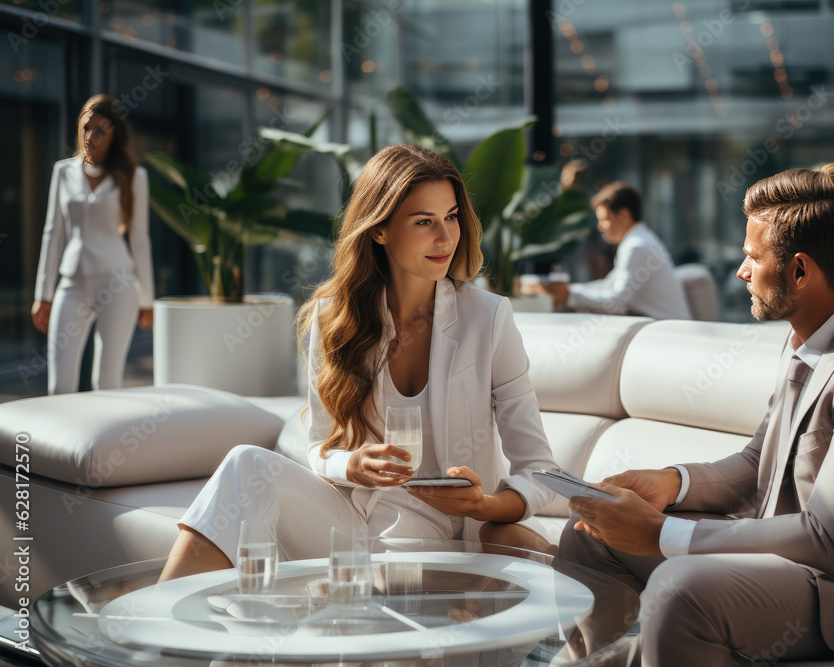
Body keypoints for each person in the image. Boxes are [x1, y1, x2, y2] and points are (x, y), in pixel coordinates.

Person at [559, 164, 834, 665]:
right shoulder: (809, 335)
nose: (741, 272)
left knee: (679, 588)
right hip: (792, 558)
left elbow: (829, 540)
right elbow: (759, 462)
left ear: (800, 271)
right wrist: (671, 483)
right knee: (589, 534)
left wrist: (660, 533)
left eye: (752, 257)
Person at [159, 144, 558, 582]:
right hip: (354, 527)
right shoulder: (335, 318)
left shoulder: (488, 317)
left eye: (451, 217)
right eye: (424, 221)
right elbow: (319, 447)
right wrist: (350, 466)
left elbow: (540, 470)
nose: (445, 238)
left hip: (451, 540)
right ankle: (156, 619)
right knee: (245, 465)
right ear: (380, 230)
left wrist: (484, 505)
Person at [31, 94, 154, 395]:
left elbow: (139, 239)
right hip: (72, 282)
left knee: (107, 382)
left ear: (115, 134)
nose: (90, 136)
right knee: (60, 385)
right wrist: (43, 294)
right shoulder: (63, 171)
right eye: (86, 127)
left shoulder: (133, 176)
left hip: (118, 283)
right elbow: (52, 233)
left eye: (100, 130)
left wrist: (147, 299)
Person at [526, 181, 691, 320]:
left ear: (623, 215)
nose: (600, 227)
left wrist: (568, 295)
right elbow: (609, 286)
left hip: (667, 334)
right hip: (664, 329)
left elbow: (617, 301)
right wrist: (568, 290)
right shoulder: (640, 240)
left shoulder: (637, 246)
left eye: (604, 219)